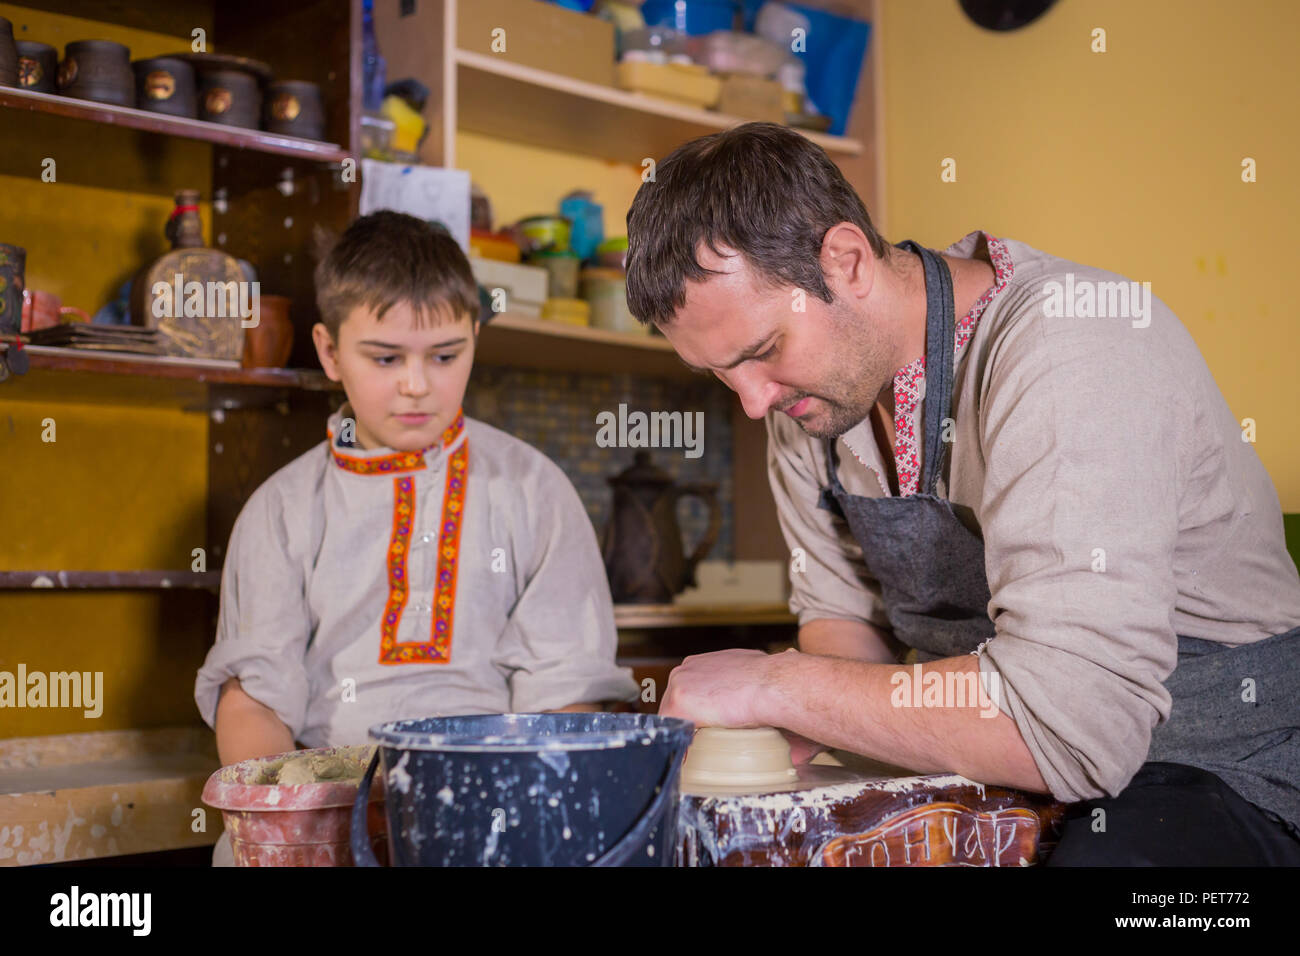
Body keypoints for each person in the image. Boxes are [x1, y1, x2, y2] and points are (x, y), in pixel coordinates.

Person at [625, 122, 1300, 865]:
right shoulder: (807, 402)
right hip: (998, 766)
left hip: (1221, 777)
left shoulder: (1075, 347)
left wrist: (775, 685)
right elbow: (843, 631)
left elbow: (1072, 728)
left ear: (846, 260)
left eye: (762, 351)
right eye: (720, 372)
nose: (750, 401)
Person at [195, 211, 638, 864]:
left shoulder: (533, 489)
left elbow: (564, 704)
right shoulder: (281, 509)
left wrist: (507, 827)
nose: (416, 384)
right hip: (326, 817)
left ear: (475, 338)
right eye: (384, 357)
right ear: (328, 350)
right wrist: (295, 835)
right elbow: (252, 704)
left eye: (444, 355)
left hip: (495, 810)